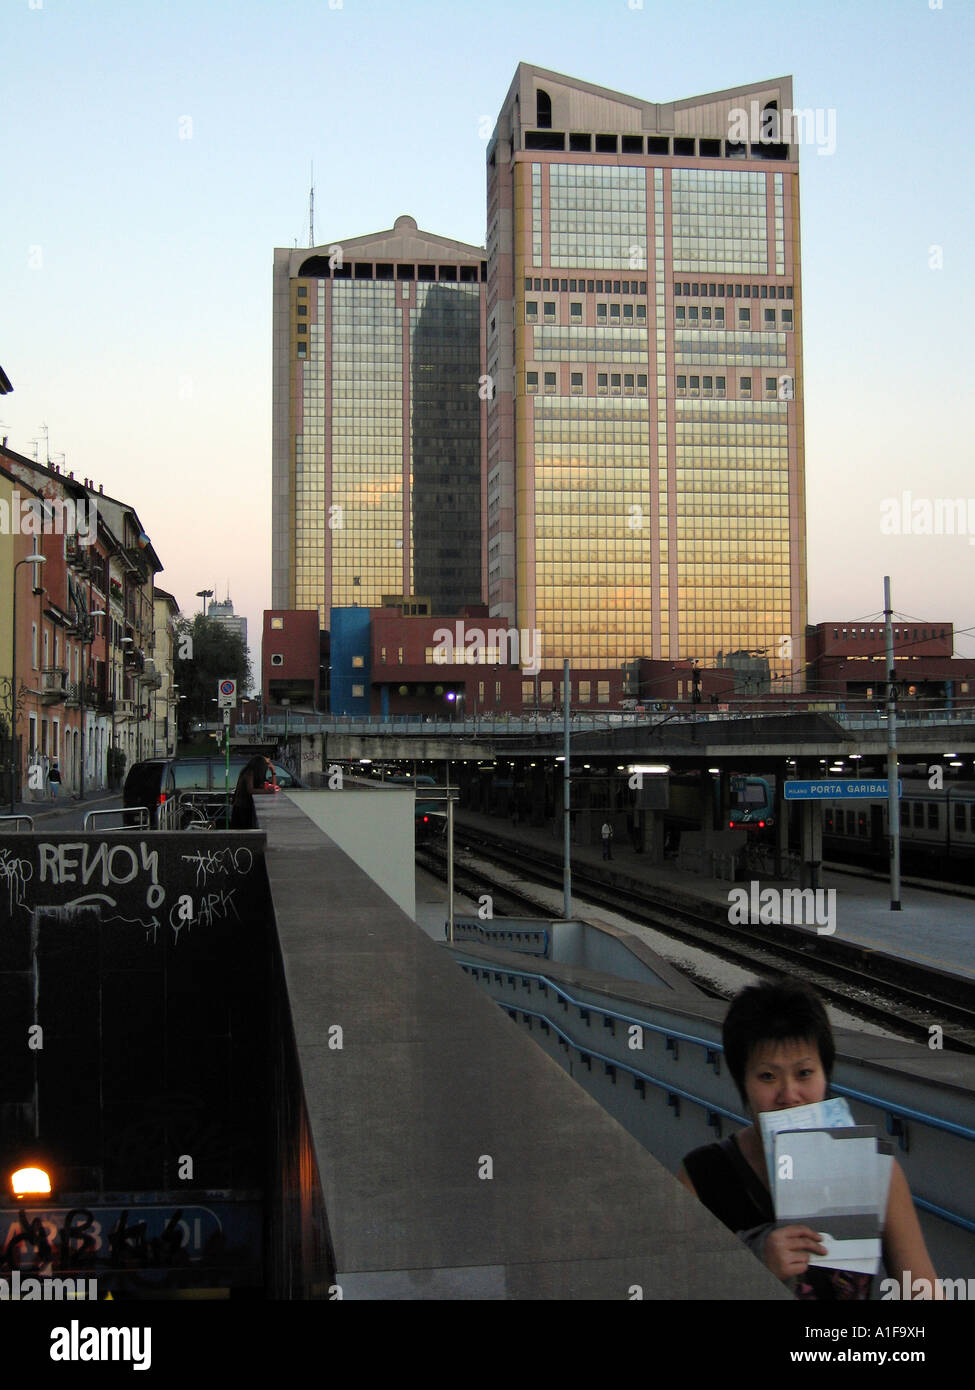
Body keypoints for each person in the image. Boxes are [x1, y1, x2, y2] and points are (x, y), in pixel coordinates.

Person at [677, 980, 938, 1300]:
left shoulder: (874, 1170)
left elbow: (922, 1289)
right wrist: (750, 1268)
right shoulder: (702, 1176)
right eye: (767, 1076)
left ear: (825, 1076)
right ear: (741, 1082)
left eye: (804, 1074)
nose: (789, 1095)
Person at [230, 755, 279, 829]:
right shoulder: (249, 773)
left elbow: (272, 787)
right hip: (242, 809)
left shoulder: (254, 774)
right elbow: (250, 790)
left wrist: (273, 772)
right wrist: (267, 791)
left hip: (245, 808)